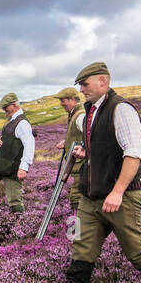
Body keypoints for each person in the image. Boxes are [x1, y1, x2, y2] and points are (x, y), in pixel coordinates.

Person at [65, 62, 141, 283]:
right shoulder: (90, 110)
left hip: (120, 197)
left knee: (135, 250)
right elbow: (105, 148)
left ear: (103, 81)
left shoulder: (121, 109)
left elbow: (133, 153)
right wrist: (86, 152)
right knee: (81, 245)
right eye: (80, 85)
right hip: (91, 196)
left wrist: (118, 191)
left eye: (85, 84)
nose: (81, 90)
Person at [55, 86, 86, 214]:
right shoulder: (74, 114)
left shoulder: (80, 115)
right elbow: (79, 134)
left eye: (63, 101)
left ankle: (79, 228)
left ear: (73, 100)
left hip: (81, 167)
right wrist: (67, 142)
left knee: (76, 198)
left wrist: (84, 147)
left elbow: (92, 134)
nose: (62, 104)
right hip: (78, 167)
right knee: (76, 197)